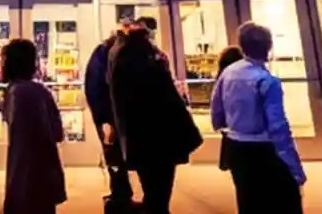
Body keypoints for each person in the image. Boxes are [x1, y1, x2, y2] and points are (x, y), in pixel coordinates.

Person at [211, 22, 305, 214]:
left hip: (236, 147)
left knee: (248, 202)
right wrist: (295, 168)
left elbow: (216, 107)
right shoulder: (267, 81)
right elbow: (278, 127)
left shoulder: (229, 72)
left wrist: (223, 126)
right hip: (264, 149)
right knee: (284, 203)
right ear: (269, 47)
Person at [109, 25, 202, 213]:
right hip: (163, 138)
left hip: (138, 137)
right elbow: (171, 102)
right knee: (161, 192)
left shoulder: (120, 66)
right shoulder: (154, 65)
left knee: (151, 190)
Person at [1, 38, 67, 214]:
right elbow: (57, 131)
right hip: (43, 171)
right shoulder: (40, 91)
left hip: (26, 173)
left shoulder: (16, 93)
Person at [85, 19, 135, 207]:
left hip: (115, 115)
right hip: (116, 114)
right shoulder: (108, 53)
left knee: (114, 157)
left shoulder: (104, 52)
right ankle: (122, 194)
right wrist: (104, 118)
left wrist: (102, 118)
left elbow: (94, 85)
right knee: (116, 156)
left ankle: (121, 193)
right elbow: (96, 85)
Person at [214, 46, 243, 174]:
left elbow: (217, 104)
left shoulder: (221, 80)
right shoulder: (247, 78)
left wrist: (217, 122)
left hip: (230, 125)